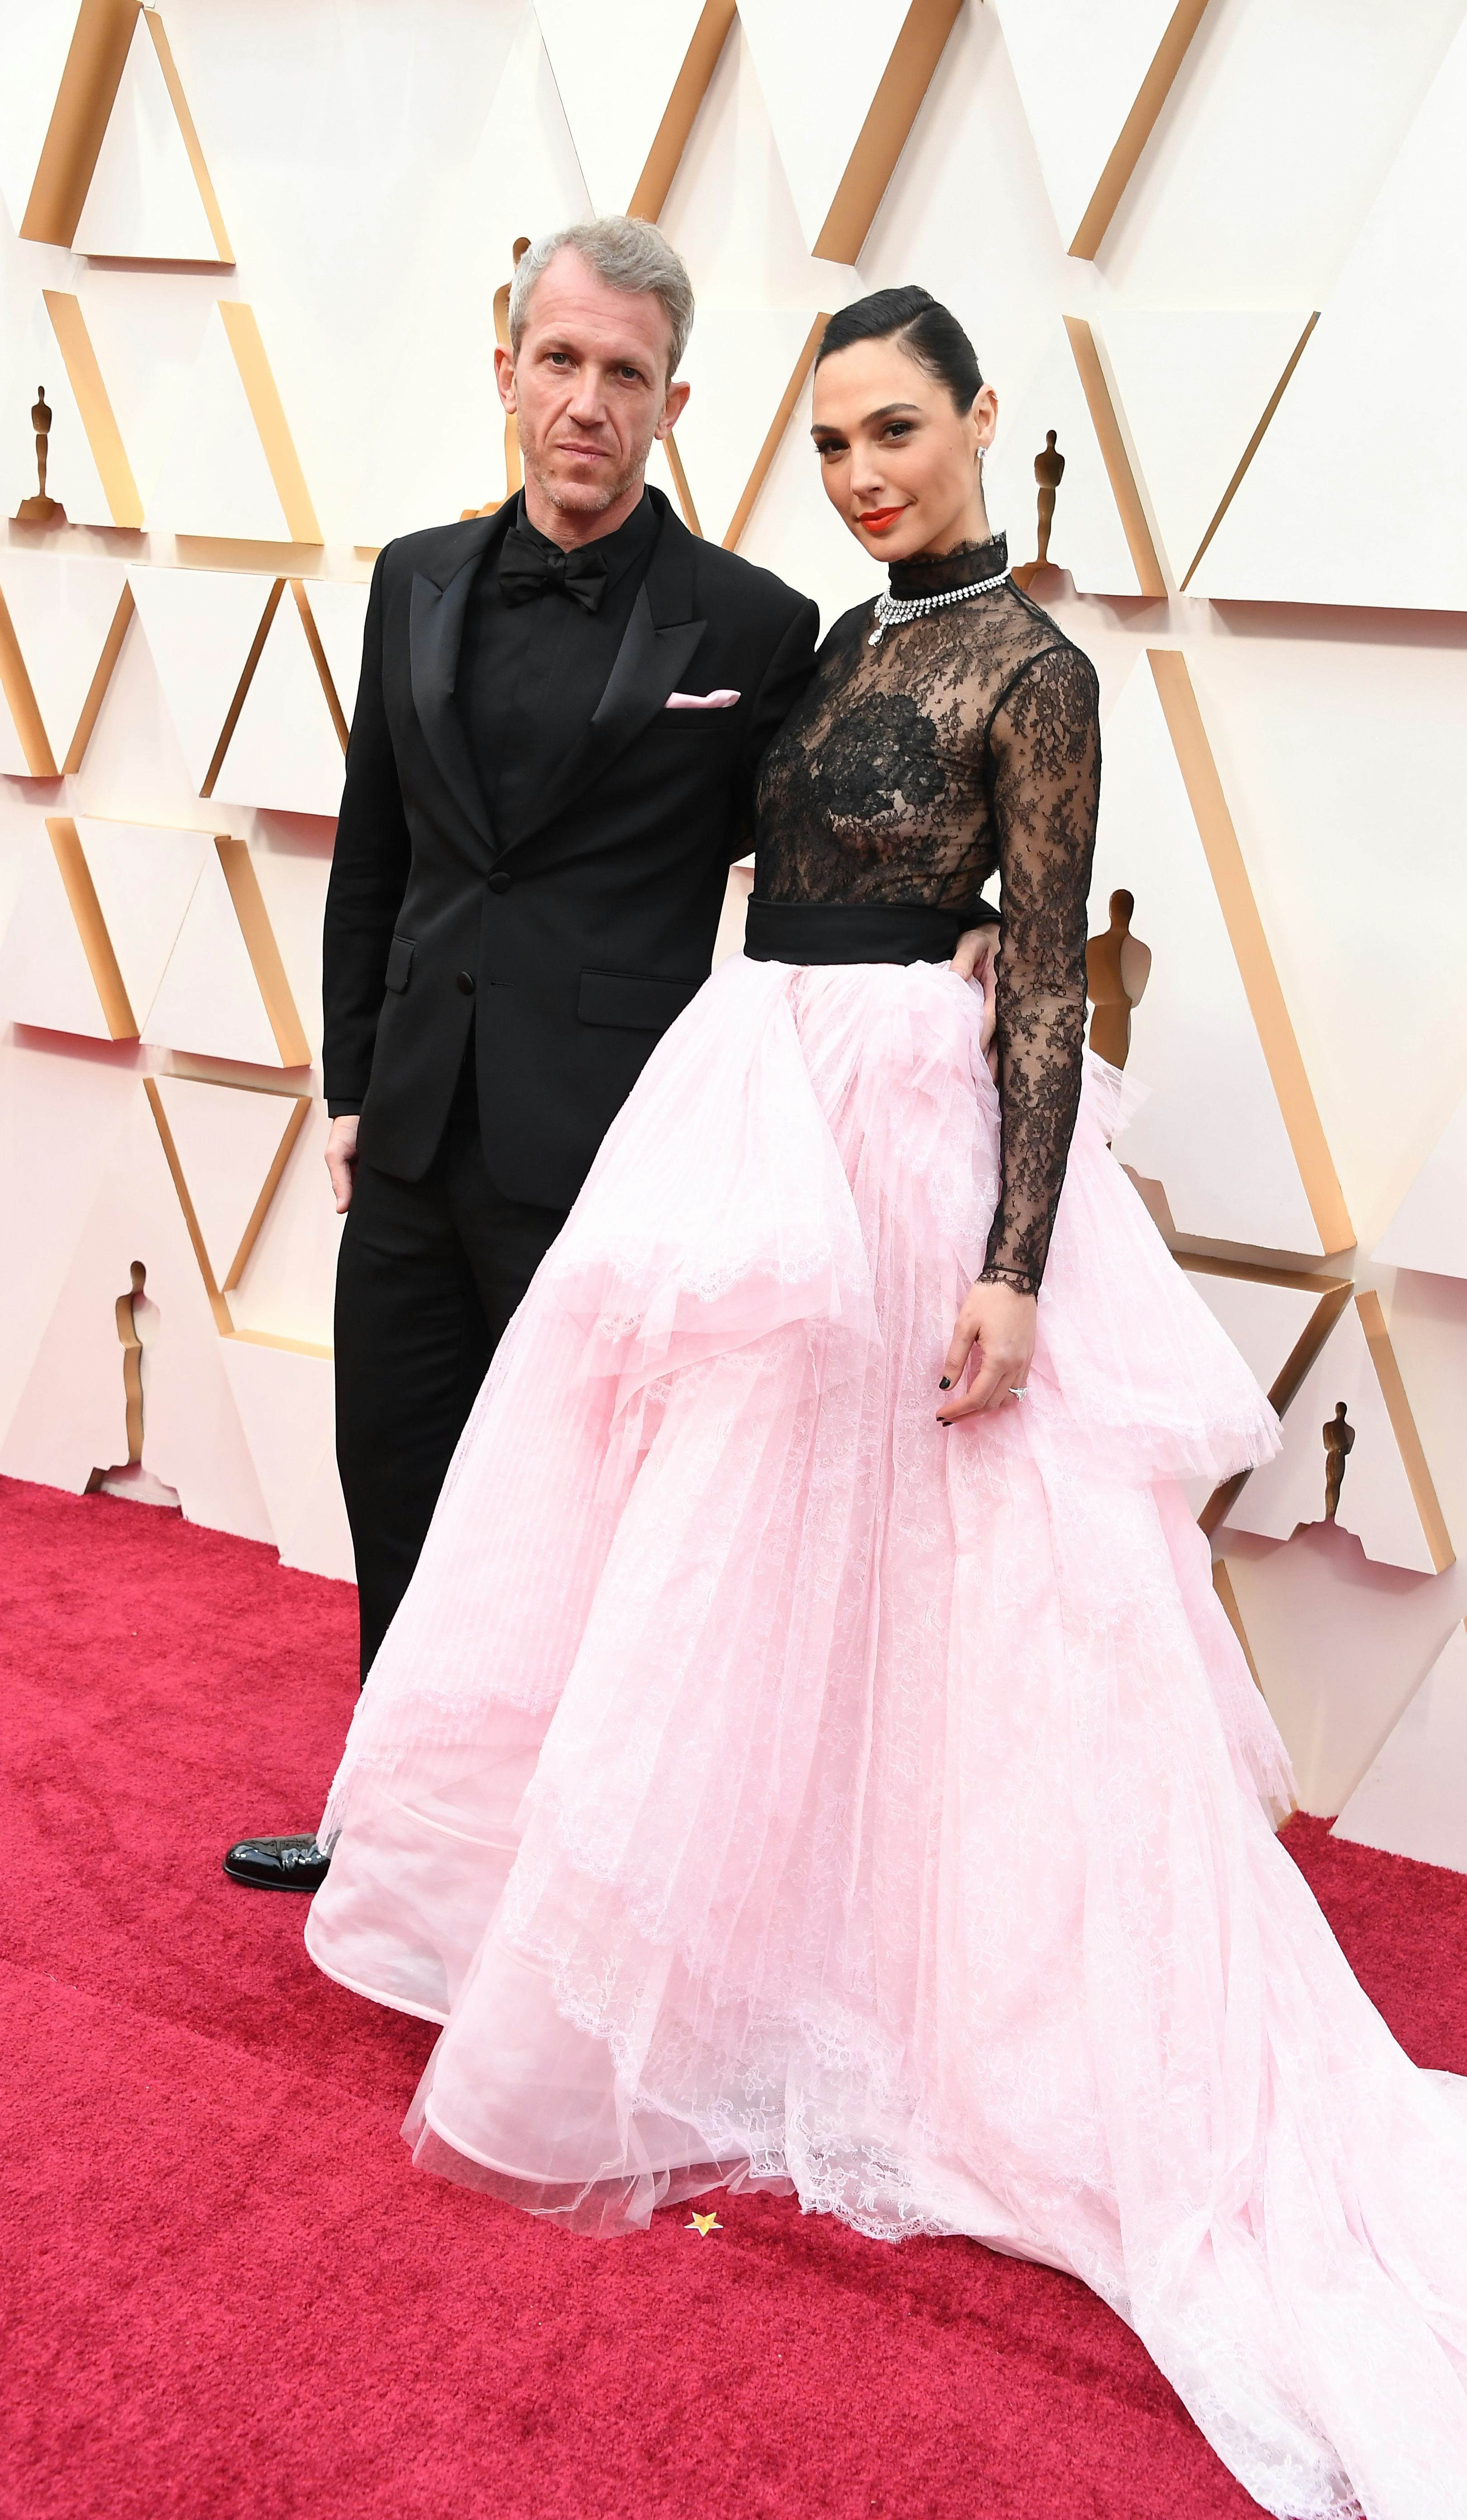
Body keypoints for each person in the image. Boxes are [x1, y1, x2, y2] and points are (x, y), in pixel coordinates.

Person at [305, 286, 1467, 2517]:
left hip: (915, 1164)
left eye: (898, 431)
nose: (864, 474)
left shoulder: (1036, 672)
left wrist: (1017, 1267)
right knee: (753, 1581)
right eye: (833, 442)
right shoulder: (833, 639)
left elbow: (1039, 975)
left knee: (968, 1613)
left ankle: (998, 2032)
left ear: (977, 423)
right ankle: (771, 1969)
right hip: (769, 1122)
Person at [224, 224, 1002, 1895]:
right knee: (399, 1490)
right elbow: (377, 849)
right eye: (561, 361)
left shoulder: (756, 623)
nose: (588, 400)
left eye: (625, 373)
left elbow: (829, 834)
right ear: (507, 370)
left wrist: (961, 921)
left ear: (673, 404)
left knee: (580, 1531)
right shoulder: (415, 577)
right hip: (414, 1133)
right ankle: (387, 1841)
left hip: (612, 1153)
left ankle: (562, 1889)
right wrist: (351, 1082)